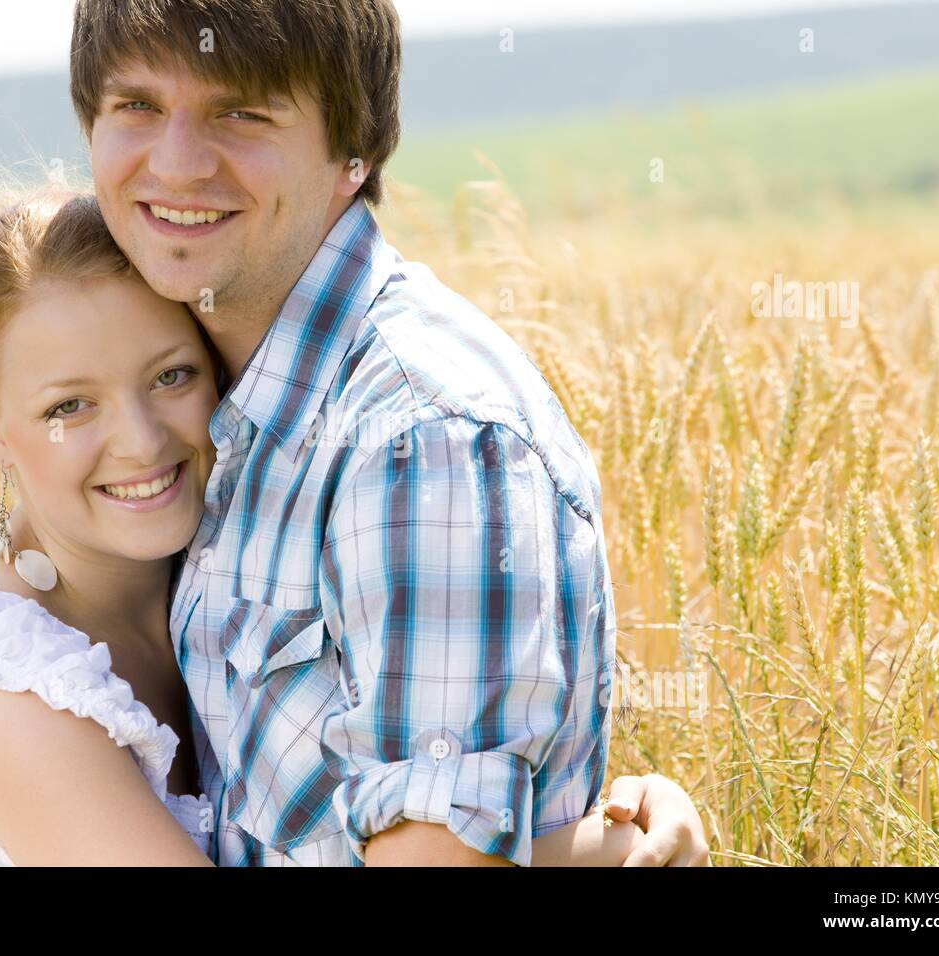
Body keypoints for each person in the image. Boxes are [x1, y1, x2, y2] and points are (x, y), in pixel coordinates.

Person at [0, 186, 659, 866]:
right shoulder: (5, 698)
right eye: (69, 405)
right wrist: (604, 853)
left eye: (169, 377)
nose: (138, 442)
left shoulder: (221, 571)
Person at [72, 0, 709, 865]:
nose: (177, 161)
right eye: (137, 105)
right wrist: (583, 854)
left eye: (242, 112)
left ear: (353, 152)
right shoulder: (188, 405)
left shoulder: (423, 441)